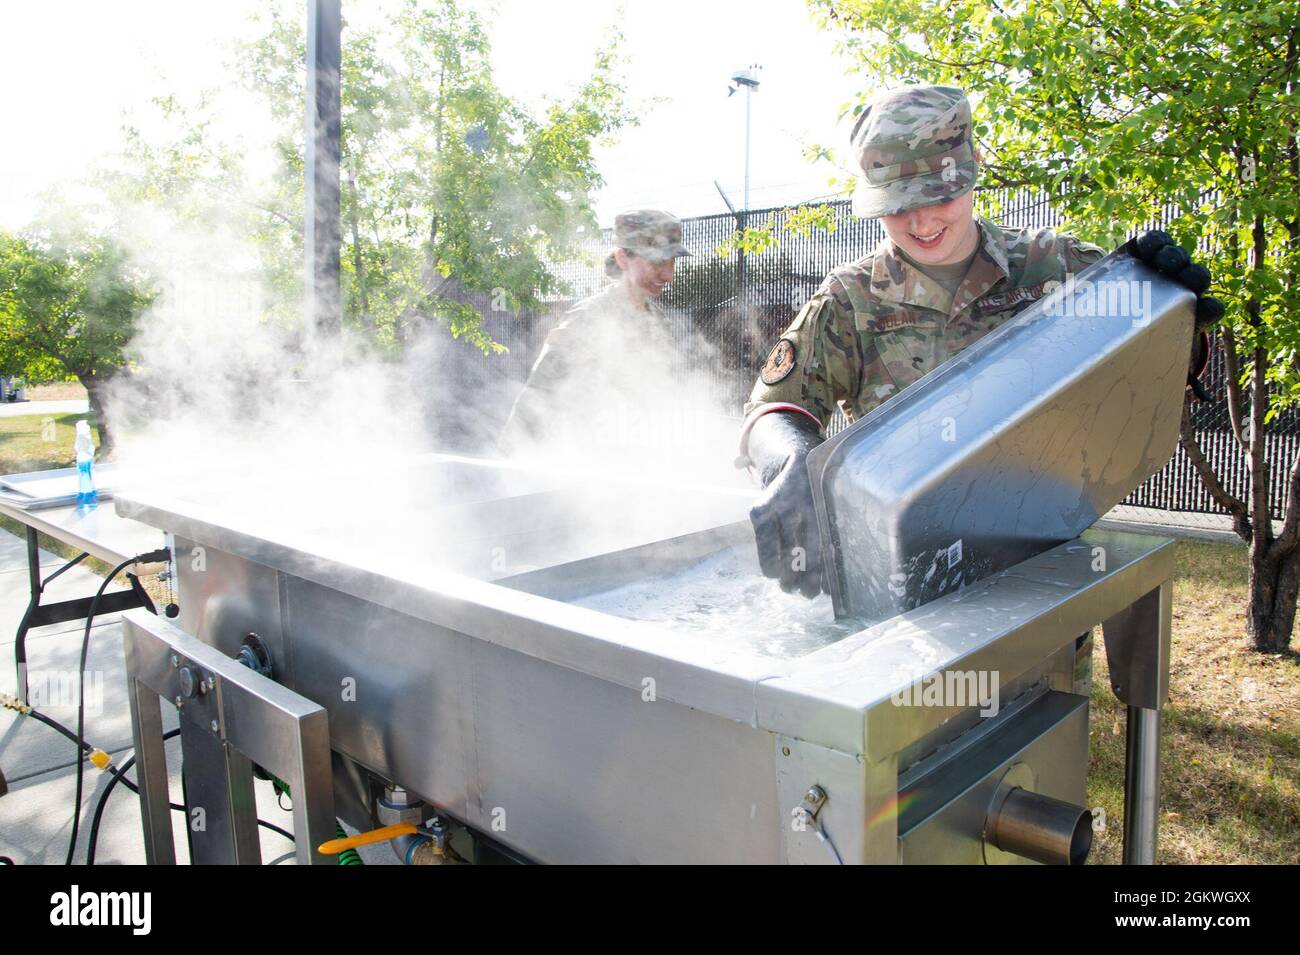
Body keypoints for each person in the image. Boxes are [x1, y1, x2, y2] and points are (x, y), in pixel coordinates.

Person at [738, 84, 1220, 598]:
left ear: (971, 174)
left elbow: (1146, 371)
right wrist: (790, 465)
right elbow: (773, 409)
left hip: (1044, 563)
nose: (921, 222)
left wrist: (1171, 312)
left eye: (938, 196)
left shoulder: (1058, 266)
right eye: (898, 206)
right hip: (905, 577)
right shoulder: (850, 299)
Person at [499, 209, 689, 454]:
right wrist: (510, 468)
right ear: (622, 258)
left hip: (639, 463)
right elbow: (534, 403)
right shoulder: (589, 318)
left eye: (672, 261)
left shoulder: (658, 321)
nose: (668, 274)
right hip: (589, 468)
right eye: (656, 262)